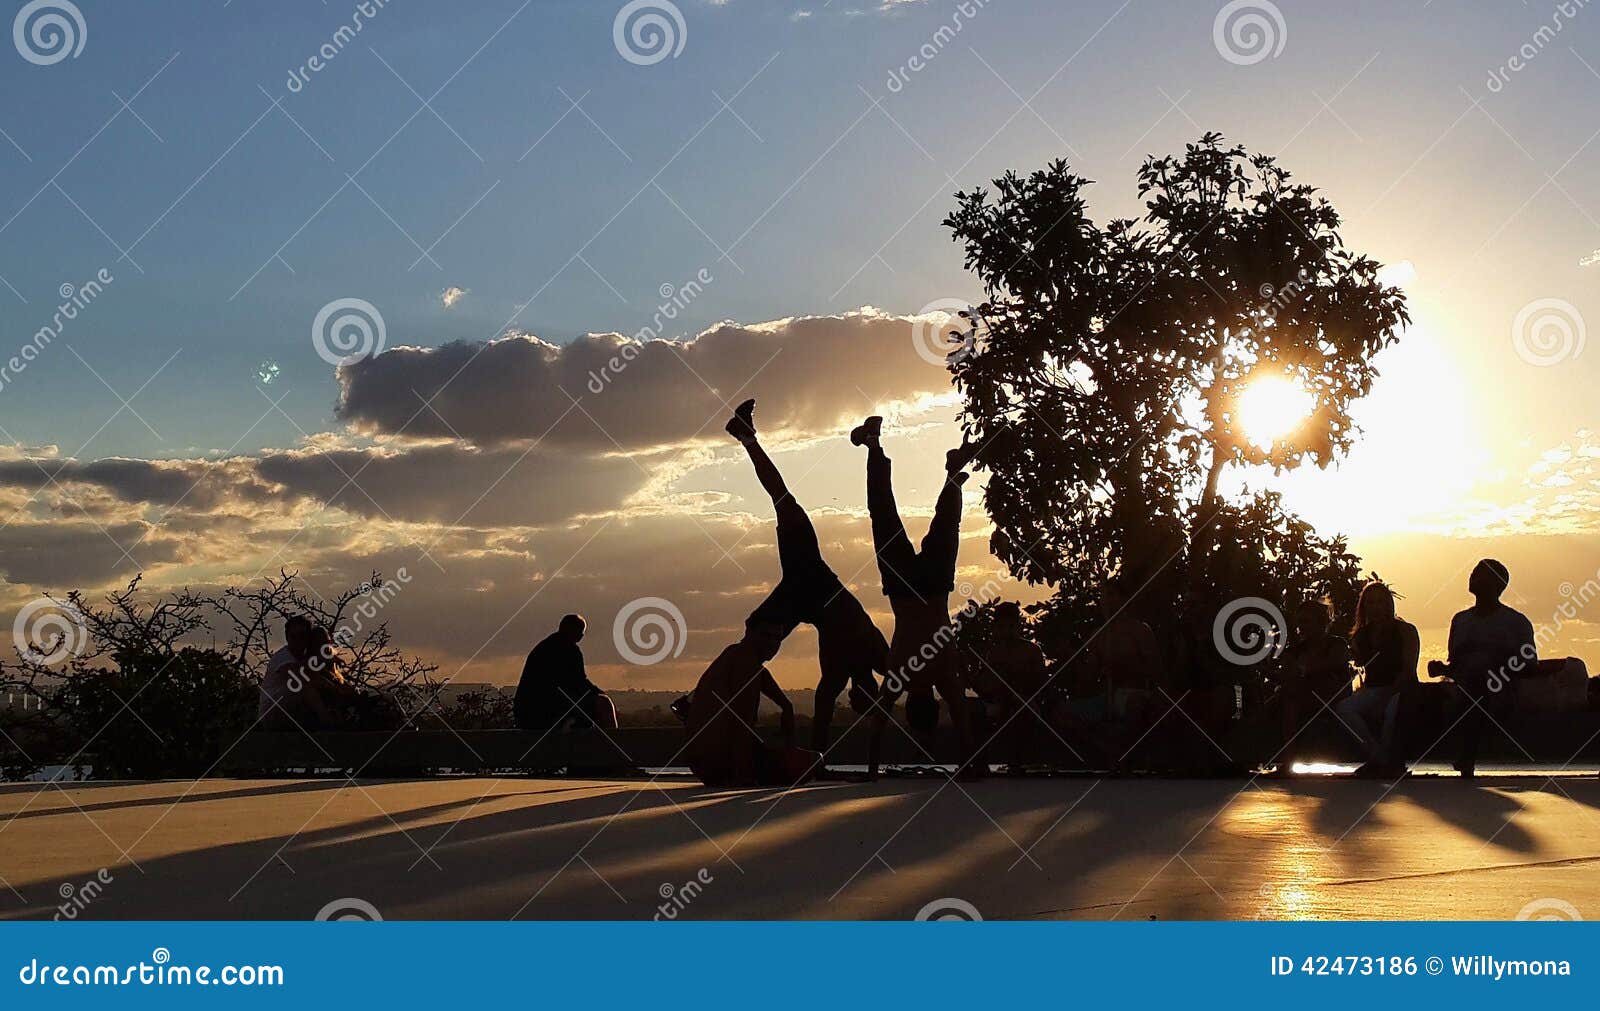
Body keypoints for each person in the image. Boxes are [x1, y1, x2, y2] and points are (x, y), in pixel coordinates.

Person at [725, 399, 886, 752]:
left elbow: (824, 715)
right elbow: (827, 712)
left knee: (752, 644)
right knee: (782, 500)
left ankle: (746, 436)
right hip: (808, 583)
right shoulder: (873, 656)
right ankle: (746, 436)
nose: (857, 699)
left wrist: (819, 758)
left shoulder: (849, 669)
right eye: (863, 701)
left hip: (804, 590)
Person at [852, 415, 980, 779]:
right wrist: (872, 769)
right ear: (909, 704)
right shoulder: (898, 676)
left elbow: (962, 719)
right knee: (883, 515)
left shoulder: (944, 674)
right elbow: (878, 724)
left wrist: (970, 763)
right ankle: (873, 444)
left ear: (934, 704)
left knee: (947, 525)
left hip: (935, 588)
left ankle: (953, 474)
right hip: (903, 588)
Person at [1428, 559, 1535, 778]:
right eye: (1473, 572)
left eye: (1480, 574)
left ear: (1497, 583)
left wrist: (1497, 665)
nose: (1472, 576)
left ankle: (1467, 756)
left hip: (1499, 687)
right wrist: (1442, 669)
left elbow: (1530, 663)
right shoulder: (1460, 620)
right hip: (1462, 685)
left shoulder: (1516, 622)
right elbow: (1456, 665)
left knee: (1477, 687)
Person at [683, 624, 818, 787]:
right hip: (717, 761)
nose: (772, 643)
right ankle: (741, 771)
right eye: (766, 636)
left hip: (706, 759)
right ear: (750, 634)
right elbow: (741, 724)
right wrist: (743, 774)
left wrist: (786, 708)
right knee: (810, 762)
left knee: (805, 761)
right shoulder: (744, 663)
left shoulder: (739, 657)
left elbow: (774, 691)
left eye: (777, 638)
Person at [1335, 581, 1419, 778]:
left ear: (1389, 604)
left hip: (1401, 689)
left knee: (1392, 710)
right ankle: (1378, 757)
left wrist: (1389, 693)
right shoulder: (1361, 636)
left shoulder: (1406, 631)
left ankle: (1389, 761)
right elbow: (1364, 672)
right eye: (1371, 603)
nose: (1376, 607)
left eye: (1380, 602)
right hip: (1374, 689)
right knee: (1344, 708)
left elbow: (1408, 670)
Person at [1265, 599, 1352, 774]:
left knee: (1289, 698)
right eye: (1299, 622)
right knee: (1281, 699)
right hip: (1302, 696)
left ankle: (1288, 760)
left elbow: (1328, 667)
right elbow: (1287, 675)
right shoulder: (1296, 650)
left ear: (1321, 623)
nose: (1301, 627)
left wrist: (1301, 670)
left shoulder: (1337, 645)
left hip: (1331, 697)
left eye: (1306, 621)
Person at [513, 614, 618, 733]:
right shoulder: (570, 649)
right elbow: (580, 683)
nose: (582, 636)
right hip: (546, 712)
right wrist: (600, 693)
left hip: (526, 714)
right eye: (581, 632)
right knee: (604, 704)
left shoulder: (543, 647)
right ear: (576, 632)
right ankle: (613, 742)